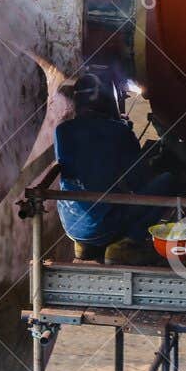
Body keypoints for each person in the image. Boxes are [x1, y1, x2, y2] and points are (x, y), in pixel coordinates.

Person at [53, 77, 173, 264]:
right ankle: (128, 244)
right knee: (168, 181)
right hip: (106, 227)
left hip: (72, 227)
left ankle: (85, 247)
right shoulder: (119, 132)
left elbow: (84, 159)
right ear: (109, 102)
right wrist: (125, 132)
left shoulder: (62, 131)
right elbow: (138, 179)